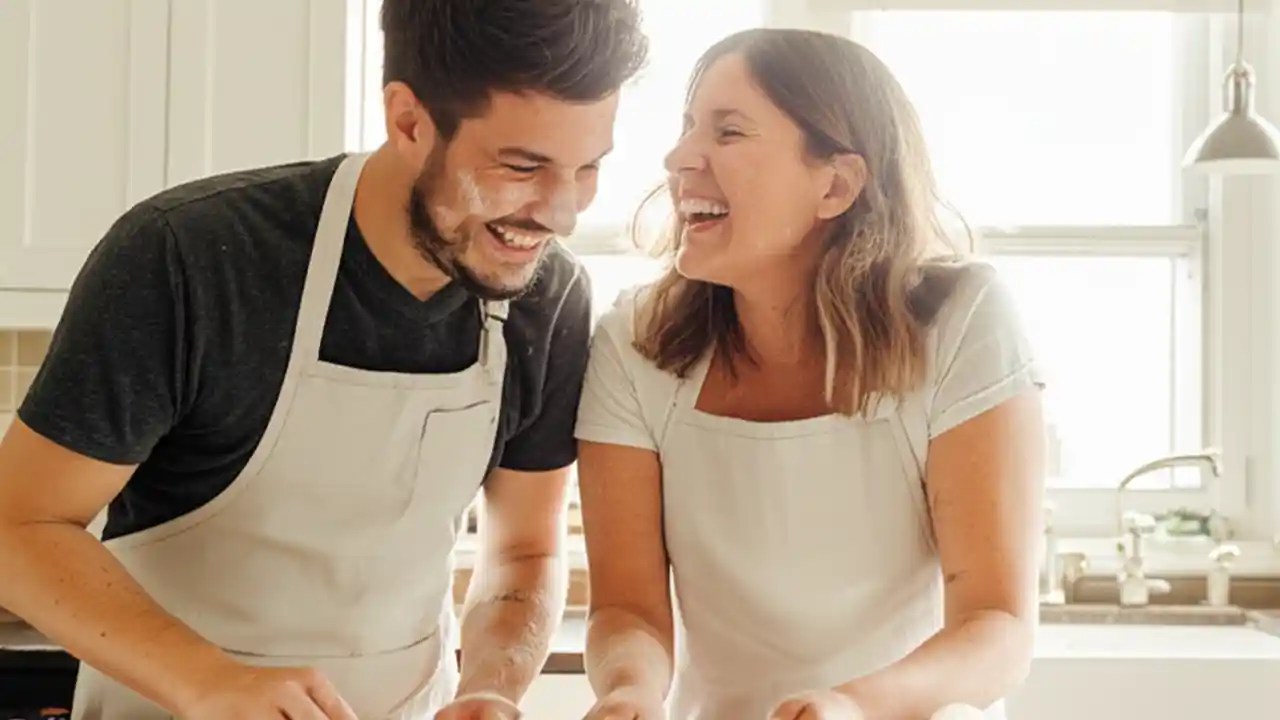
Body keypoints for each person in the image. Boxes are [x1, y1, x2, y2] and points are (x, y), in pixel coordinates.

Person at [0, 1, 647, 718]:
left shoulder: (545, 300)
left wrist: (491, 685)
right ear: (408, 120)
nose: (561, 214)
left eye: (588, 168)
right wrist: (209, 682)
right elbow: (19, 528)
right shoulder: (190, 258)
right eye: (522, 166)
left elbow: (526, 555)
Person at [574, 28, 1045, 720]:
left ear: (836, 185)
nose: (678, 158)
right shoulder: (633, 345)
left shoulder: (960, 322)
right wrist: (628, 694)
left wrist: (849, 706)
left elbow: (996, 625)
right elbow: (627, 609)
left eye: (728, 133)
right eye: (686, 128)